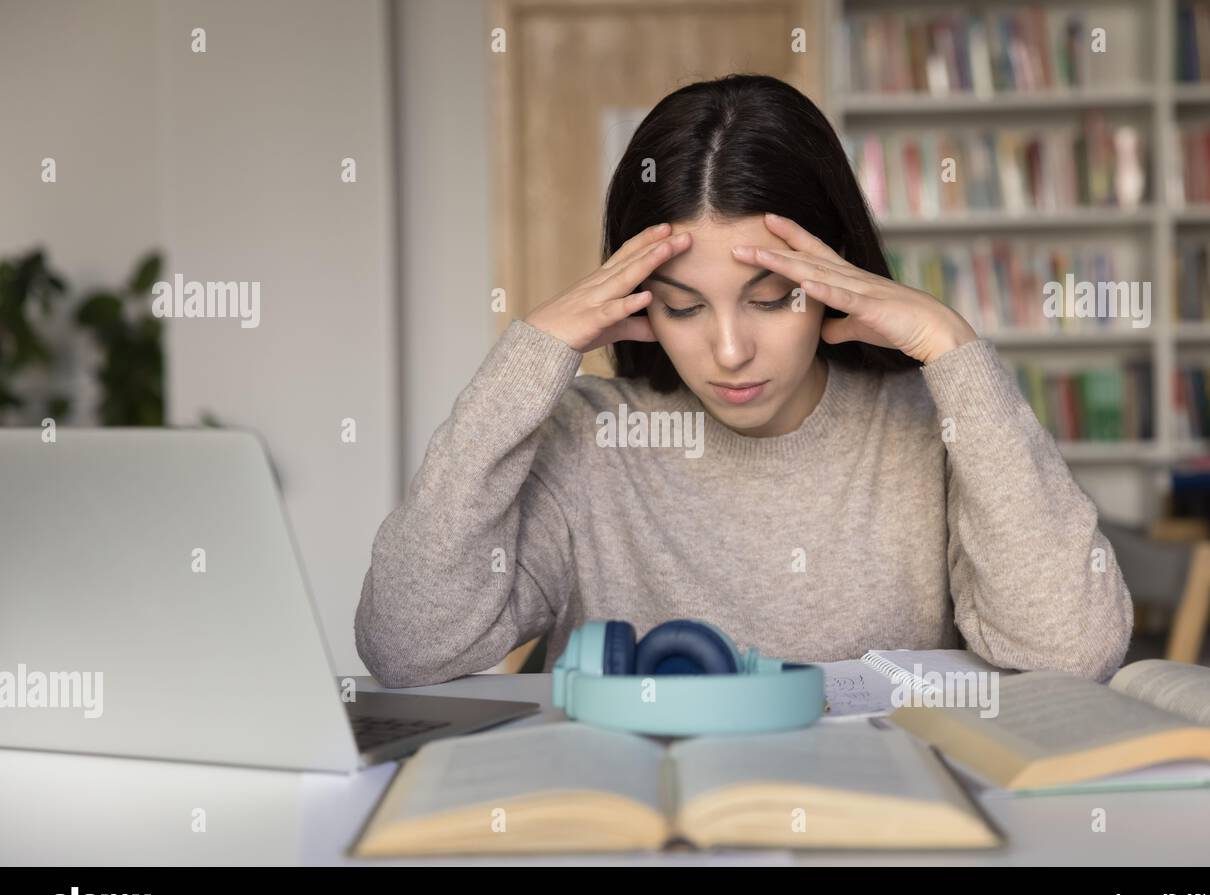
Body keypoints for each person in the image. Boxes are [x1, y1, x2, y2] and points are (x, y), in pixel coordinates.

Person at [354, 73, 1133, 687]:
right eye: (683, 306)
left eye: (770, 299)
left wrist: (954, 349)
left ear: (833, 278)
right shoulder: (589, 438)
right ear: (638, 301)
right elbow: (408, 648)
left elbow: (1070, 652)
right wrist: (530, 355)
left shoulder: (931, 426)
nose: (729, 350)